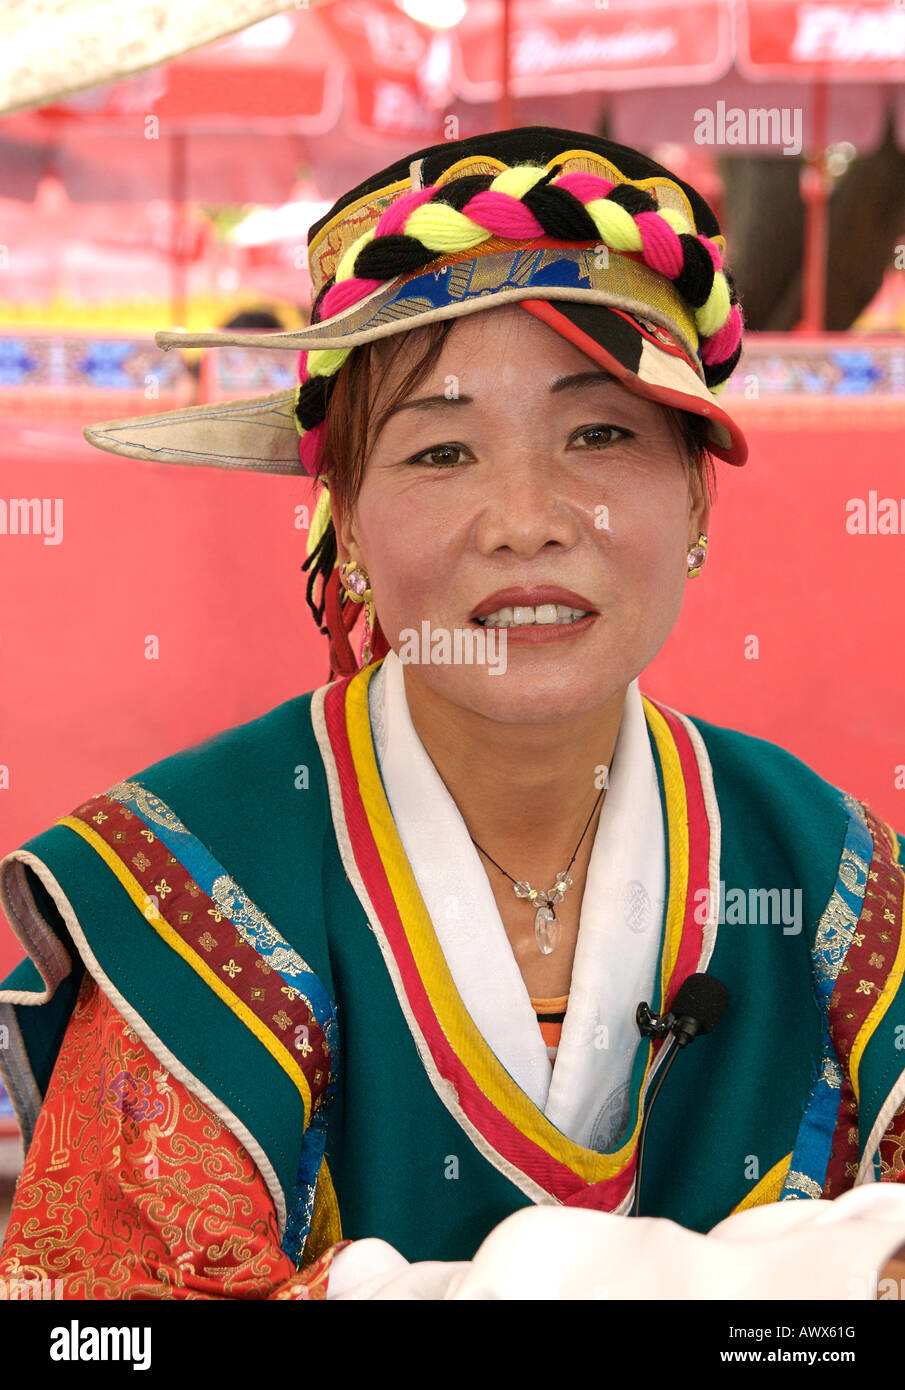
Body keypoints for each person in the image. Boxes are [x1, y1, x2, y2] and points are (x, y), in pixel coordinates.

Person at [2, 125, 905, 1301]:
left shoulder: (831, 870)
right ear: (345, 522)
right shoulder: (193, 880)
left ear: (695, 494)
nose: (524, 519)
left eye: (597, 434)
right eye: (440, 450)